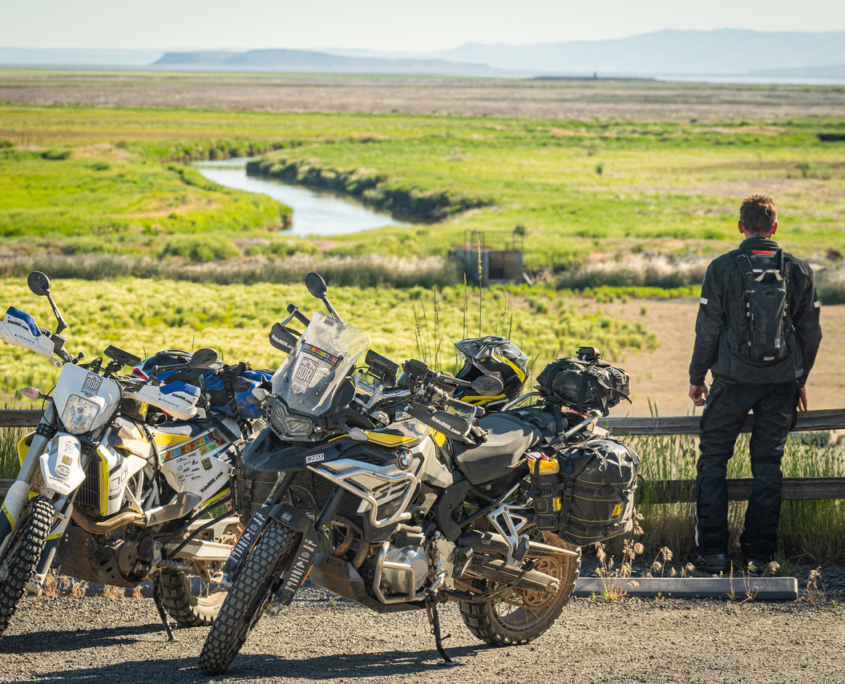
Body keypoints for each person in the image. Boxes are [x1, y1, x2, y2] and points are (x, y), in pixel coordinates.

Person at [688, 195, 822, 573]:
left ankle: (712, 554)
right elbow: (811, 334)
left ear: (740, 226)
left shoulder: (723, 268)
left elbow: (708, 329)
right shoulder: (798, 270)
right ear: (775, 227)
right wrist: (800, 379)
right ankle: (758, 558)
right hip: (780, 384)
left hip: (731, 381)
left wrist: (697, 378)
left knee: (713, 461)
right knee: (768, 467)